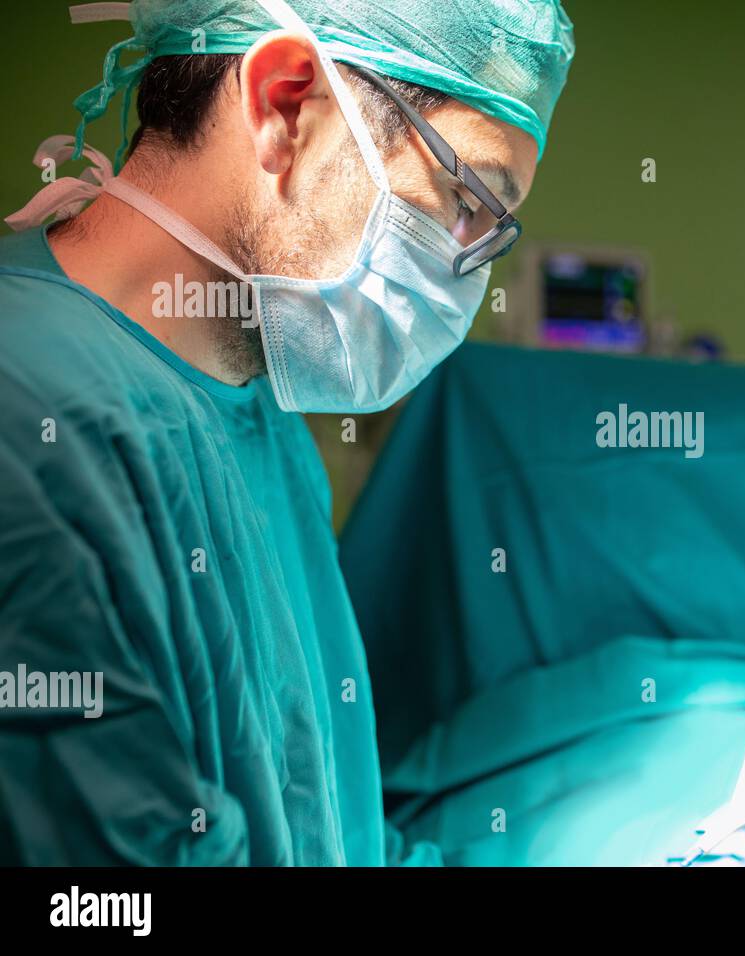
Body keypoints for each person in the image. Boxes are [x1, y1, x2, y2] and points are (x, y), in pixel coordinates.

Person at [0, 0, 572, 864]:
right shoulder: (33, 425)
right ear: (284, 105)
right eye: (466, 199)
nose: (464, 274)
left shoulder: (260, 408)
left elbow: (328, 832)